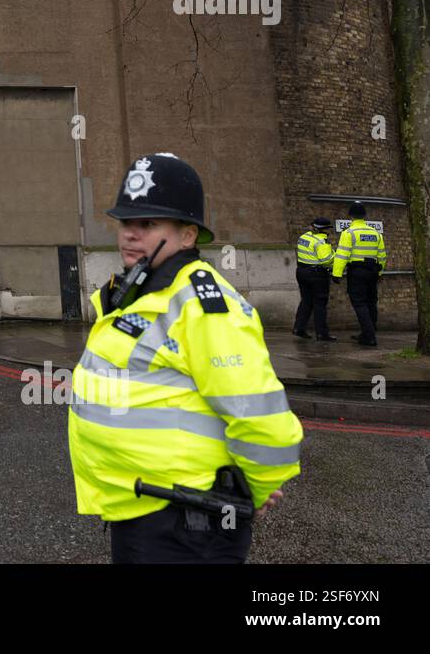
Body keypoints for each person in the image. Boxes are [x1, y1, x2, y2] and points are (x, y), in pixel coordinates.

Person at [67, 152, 302, 563]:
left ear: (188, 236)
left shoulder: (205, 307)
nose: (130, 235)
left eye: (148, 223)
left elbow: (263, 420)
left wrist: (255, 492)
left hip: (185, 525)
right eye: (126, 223)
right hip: (141, 507)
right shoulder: (140, 293)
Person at [332, 202, 386, 347]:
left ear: (351, 217)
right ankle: (369, 332)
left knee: (359, 302)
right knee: (371, 302)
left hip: (357, 271)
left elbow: (342, 254)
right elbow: (382, 255)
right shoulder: (375, 233)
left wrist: (336, 273)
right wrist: (379, 272)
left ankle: (369, 336)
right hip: (373, 271)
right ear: (364, 216)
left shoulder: (349, 233)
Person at [292, 218, 335, 341]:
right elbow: (326, 260)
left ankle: (298, 328)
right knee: (320, 304)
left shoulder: (304, 237)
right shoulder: (321, 242)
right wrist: (335, 254)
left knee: (306, 301)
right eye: (328, 229)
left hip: (301, 272)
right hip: (317, 275)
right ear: (324, 229)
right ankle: (322, 333)